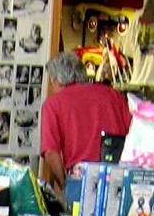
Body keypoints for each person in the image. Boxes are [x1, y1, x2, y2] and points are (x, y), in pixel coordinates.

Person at [39, 51, 130, 189]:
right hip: (118, 176)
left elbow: (51, 153)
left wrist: (65, 187)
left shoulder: (53, 104)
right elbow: (133, 136)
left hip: (81, 178)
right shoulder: (114, 95)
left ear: (57, 80)